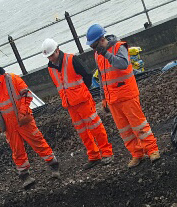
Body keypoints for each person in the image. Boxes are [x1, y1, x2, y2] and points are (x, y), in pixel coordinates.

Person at [86, 24, 160, 169]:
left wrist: (106, 54)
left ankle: (152, 150)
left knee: (139, 125)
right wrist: (103, 98)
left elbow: (123, 64)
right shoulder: (97, 55)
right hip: (113, 99)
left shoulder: (119, 47)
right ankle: (137, 154)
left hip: (127, 95)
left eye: (94, 45)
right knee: (125, 131)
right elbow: (102, 76)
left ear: (101, 40)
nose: (93, 49)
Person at [0, 54, 59, 189]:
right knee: (17, 151)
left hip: (23, 119)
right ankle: (25, 175)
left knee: (38, 141)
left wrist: (22, 112)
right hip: (9, 125)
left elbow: (26, 94)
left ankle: (54, 165)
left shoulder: (12, 78)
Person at [42, 38, 113, 169]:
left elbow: (87, 75)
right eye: (48, 56)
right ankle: (94, 155)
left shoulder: (71, 59)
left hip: (83, 100)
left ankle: (107, 153)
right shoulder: (50, 68)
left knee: (95, 127)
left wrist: (81, 90)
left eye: (52, 55)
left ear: (58, 50)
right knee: (82, 131)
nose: (51, 58)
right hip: (70, 104)